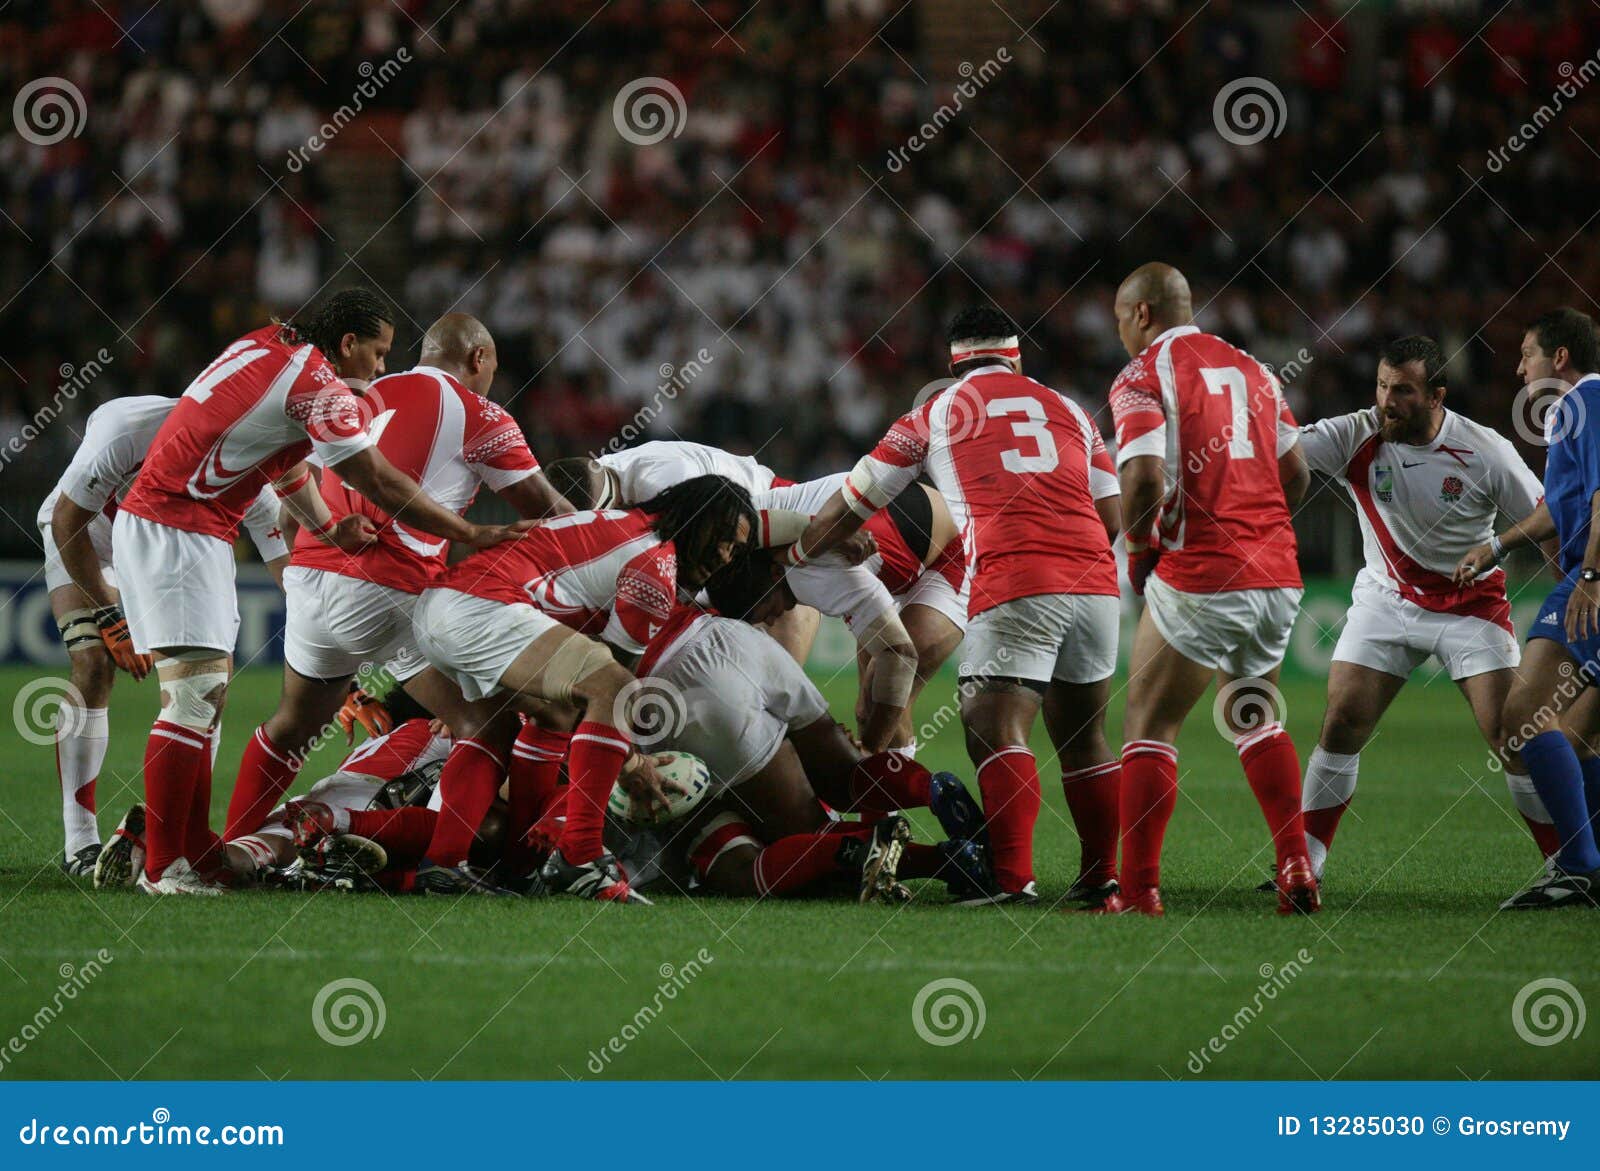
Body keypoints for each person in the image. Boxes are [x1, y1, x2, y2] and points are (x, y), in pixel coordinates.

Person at [101, 288, 524, 896]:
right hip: (179, 523)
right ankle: (169, 864)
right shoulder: (320, 387)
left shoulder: (272, 345)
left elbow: (284, 463)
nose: (382, 368)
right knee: (193, 700)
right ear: (347, 343)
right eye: (377, 353)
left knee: (212, 701)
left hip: (191, 526)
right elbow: (375, 477)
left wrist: (328, 527)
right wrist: (468, 531)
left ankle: (197, 851)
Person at [786, 305, 1124, 905]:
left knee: (994, 726)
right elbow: (1114, 515)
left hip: (1014, 573)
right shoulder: (1072, 409)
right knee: (1085, 736)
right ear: (1016, 358)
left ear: (953, 364)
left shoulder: (933, 413)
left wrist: (794, 556)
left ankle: (1011, 879)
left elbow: (851, 504)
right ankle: (1101, 878)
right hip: (1097, 580)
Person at [226, 313, 570, 846]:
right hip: (389, 591)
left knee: (291, 728)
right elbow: (551, 513)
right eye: (492, 369)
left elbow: (294, 504)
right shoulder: (480, 413)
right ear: (479, 360)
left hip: (312, 577)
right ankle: (453, 864)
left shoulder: (360, 394)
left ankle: (232, 849)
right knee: (489, 723)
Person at [411, 475, 757, 902]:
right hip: (481, 610)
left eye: (735, 549)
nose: (724, 555)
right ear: (694, 518)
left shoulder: (627, 526)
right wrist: (631, 765)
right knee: (615, 687)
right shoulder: (654, 568)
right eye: (721, 537)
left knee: (536, 718)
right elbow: (607, 685)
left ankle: (464, 865)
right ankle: (581, 855)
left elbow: (571, 705)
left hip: (439, 610)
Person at [1290, 336, 1553, 881]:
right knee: (1341, 721)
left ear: (1437, 395)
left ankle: (1565, 865)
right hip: (1386, 600)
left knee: (1511, 738)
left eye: (1403, 390)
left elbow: (1547, 517)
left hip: (1471, 610)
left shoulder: (1485, 450)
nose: (1387, 400)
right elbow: (1282, 455)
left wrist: (1570, 589)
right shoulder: (1355, 434)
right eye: (1383, 386)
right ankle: (1304, 863)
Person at [1104, 262, 1316, 916]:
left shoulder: (1142, 375)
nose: (1119, 332)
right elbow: (1296, 471)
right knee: (1252, 713)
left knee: (1148, 720)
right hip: (1276, 568)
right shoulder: (1254, 367)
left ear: (1141, 313)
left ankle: (1138, 893)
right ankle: (1297, 866)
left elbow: (1139, 478)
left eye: (1119, 319)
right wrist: (1261, 525)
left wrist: (1140, 552)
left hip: (1202, 568)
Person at [39, 395, 289, 875]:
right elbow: (67, 519)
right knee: (93, 663)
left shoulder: (243, 464)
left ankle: (170, 833)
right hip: (86, 538)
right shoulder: (124, 423)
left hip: (161, 556)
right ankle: (80, 842)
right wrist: (113, 619)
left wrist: (325, 641)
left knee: (207, 685)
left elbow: (285, 566)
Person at [1456, 307, 1600, 909]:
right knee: (1579, 735)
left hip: (1596, 579)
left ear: (1558, 358)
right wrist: (1498, 543)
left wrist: (1589, 576)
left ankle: (1578, 866)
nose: (1520, 370)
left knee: (1522, 719)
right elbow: (1561, 504)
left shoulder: (1585, 402)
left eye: (1527, 354)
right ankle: (1589, 866)